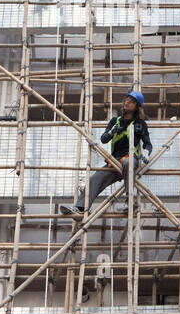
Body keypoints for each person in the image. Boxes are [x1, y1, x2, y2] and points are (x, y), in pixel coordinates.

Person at [59, 91, 151, 219]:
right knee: (95, 179)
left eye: (132, 101)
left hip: (130, 158)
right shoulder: (115, 121)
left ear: (137, 106)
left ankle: (129, 201)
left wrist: (146, 152)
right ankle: (80, 208)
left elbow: (148, 144)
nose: (127, 102)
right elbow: (104, 139)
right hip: (114, 162)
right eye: (127, 99)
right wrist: (112, 132)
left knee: (128, 163)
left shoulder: (140, 124)